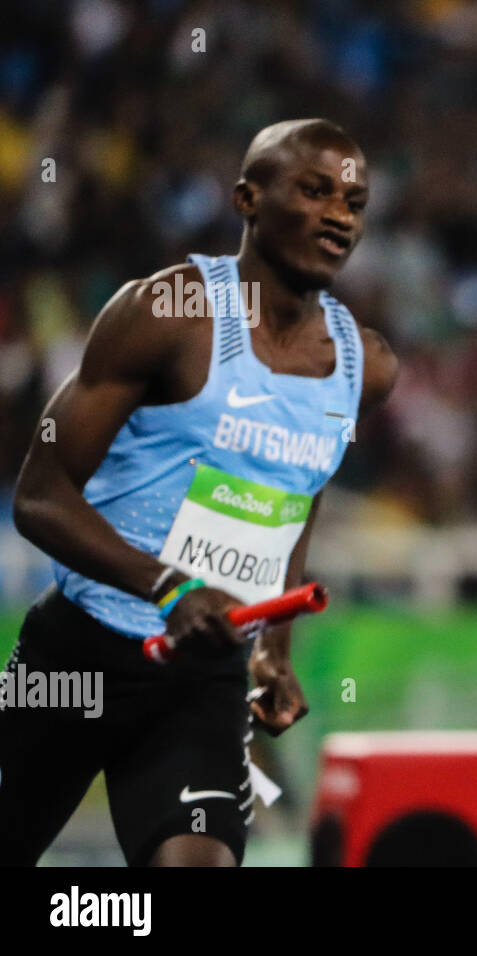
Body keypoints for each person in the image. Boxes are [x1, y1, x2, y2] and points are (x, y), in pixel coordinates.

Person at [0, 119, 398, 866]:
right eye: (315, 191)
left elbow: (296, 496)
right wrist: (171, 587)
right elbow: (41, 497)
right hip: (78, 657)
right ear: (248, 199)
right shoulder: (166, 315)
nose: (339, 216)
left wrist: (273, 647)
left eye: (354, 202)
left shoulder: (365, 367)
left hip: (202, 679)